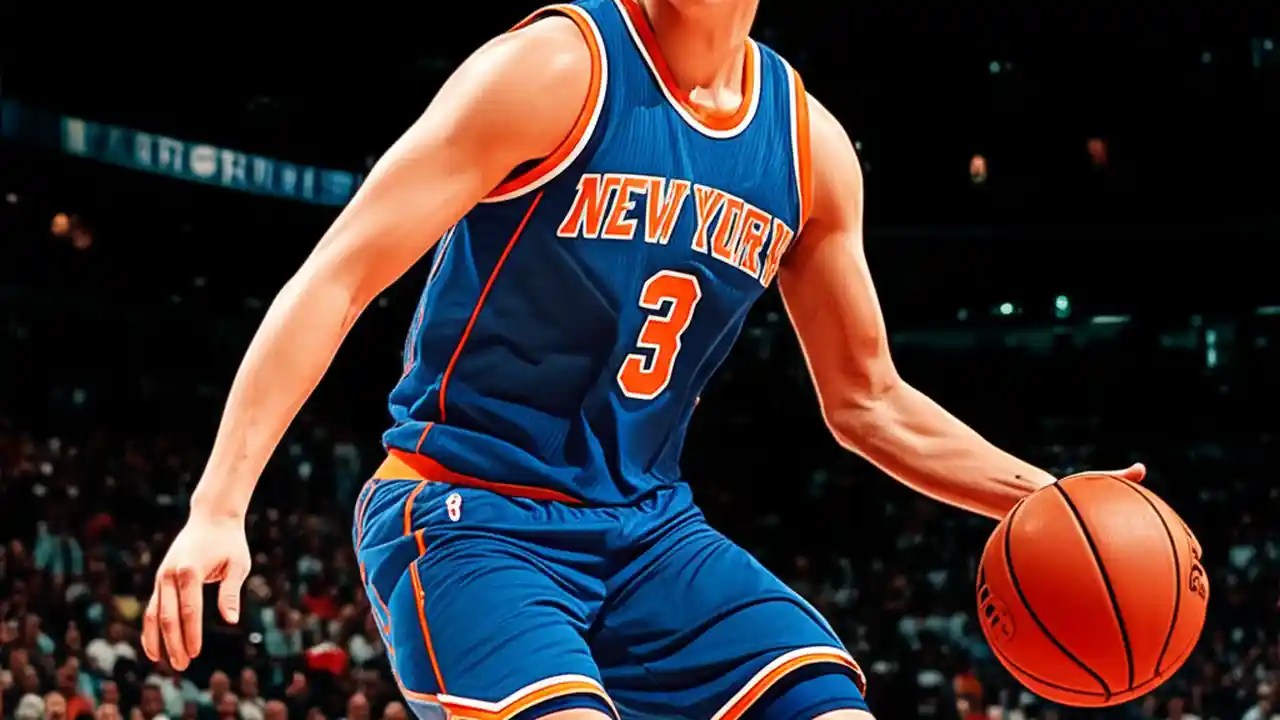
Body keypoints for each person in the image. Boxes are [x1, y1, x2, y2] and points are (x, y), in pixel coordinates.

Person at [140, 0, 1147, 718]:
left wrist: (1043, 497)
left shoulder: (808, 149)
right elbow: (339, 274)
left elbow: (868, 398)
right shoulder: (553, 69)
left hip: (650, 531)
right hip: (468, 517)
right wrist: (217, 506)